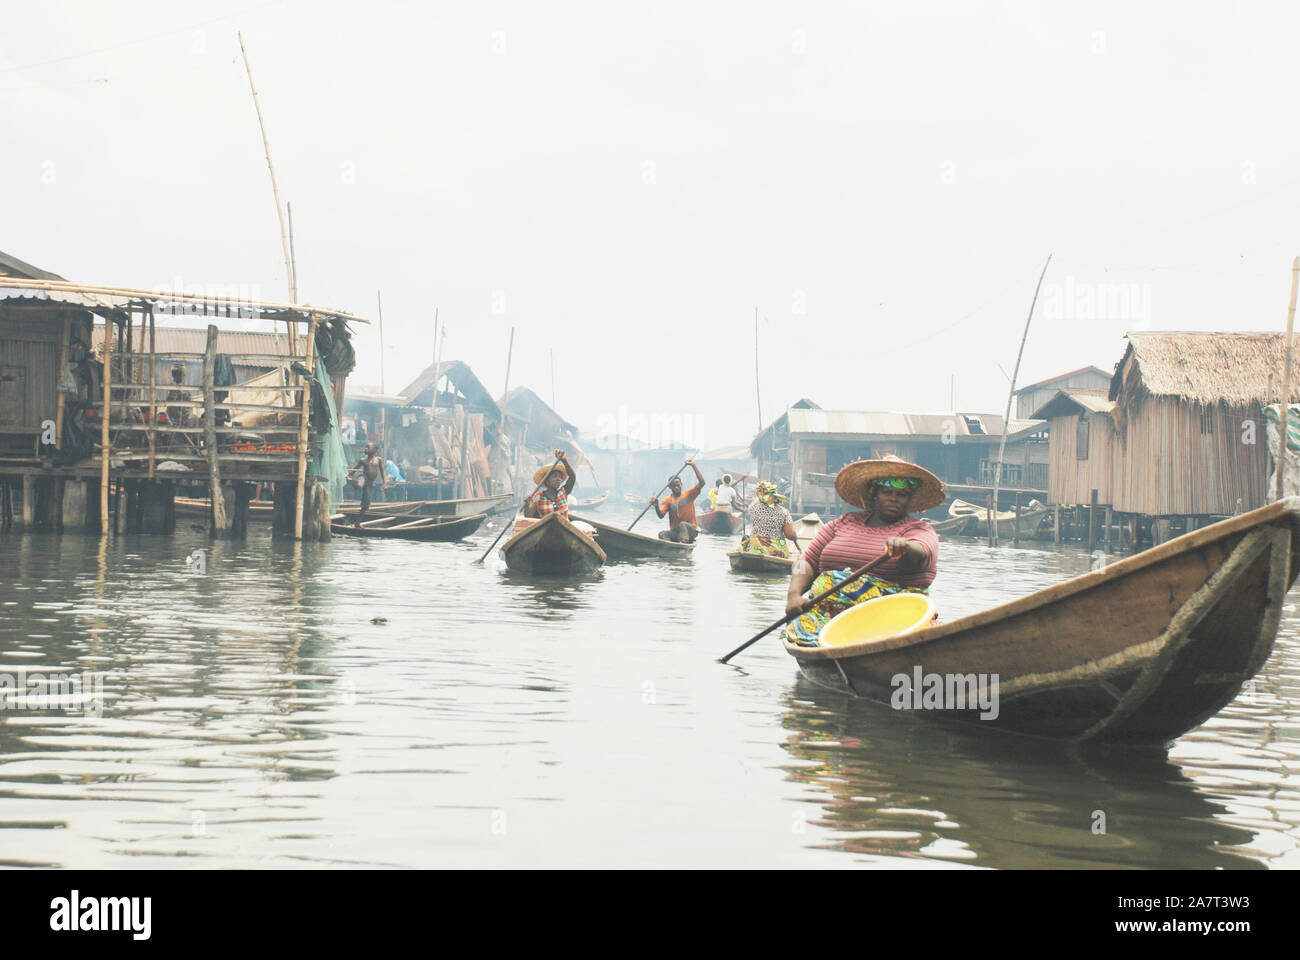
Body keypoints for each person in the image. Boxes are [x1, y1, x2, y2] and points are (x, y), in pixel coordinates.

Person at [783, 455, 944, 646]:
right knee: (803, 631)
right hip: (824, 617)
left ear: (908, 500)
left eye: (901, 495)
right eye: (887, 492)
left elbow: (921, 553)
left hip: (888, 622)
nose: (894, 498)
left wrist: (905, 547)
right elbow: (806, 561)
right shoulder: (844, 522)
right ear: (875, 495)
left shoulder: (918, 530)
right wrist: (793, 595)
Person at [736, 480, 801, 559]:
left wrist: (760, 495)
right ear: (776, 496)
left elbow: (757, 501)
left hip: (754, 549)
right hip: (776, 552)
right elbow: (790, 535)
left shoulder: (753, 508)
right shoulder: (784, 512)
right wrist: (795, 537)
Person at [651, 459, 705, 542]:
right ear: (670, 487)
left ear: (681, 485)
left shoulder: (689, 494)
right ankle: (670, 547)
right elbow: (661, 515)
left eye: (678, 485)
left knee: (682, 524)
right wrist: (656, 506)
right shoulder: (667, 500)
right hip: (676, 531)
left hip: (692, 530)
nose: (676, 487)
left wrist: (693, 465)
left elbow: (702, 482)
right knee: (662, 534)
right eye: (673, 485)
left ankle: (682, 543)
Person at [524, 450, 576, 519]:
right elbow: (528, 516)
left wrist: (564, 460)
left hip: (562, 526)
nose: (558, 479)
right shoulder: (539, 497)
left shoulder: (563, 492)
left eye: (560, 476)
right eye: (554, 476)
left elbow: (572, 477)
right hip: (546, 528)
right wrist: (527, 505)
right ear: (547, 481)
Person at [347, 442, 384, 524]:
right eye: (365, 447)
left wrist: (385, 484)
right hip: (363, 477)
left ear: (374, 450)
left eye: (368, 447)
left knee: (366, 505)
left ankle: (357, 522)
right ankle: (350, 480)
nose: (365, 449)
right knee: (359, 484)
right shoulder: (363, 460)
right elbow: (355, 469)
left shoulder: (378, 460)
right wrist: (348, 473)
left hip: (370, 483)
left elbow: (382, 472)